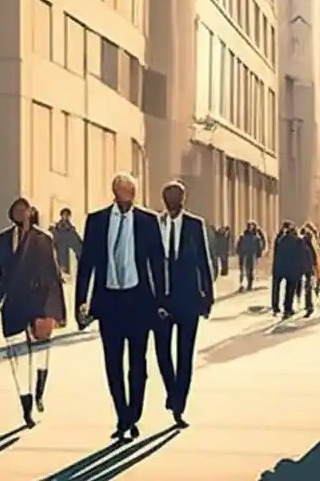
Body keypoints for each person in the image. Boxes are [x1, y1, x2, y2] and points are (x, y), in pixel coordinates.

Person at [75, 172, 167, 442]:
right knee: (112, 363)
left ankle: (134, 413)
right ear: (115, 193)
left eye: (131, 193)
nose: (128, 198)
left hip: (139, 302)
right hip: (109, 302)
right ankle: (122, 415)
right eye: (124, 193)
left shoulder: (148, 221)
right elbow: (86, 265)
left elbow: (158, 264)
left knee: (138, 363)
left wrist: (161, 301)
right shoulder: (97, 221)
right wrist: (82, 301)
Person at [0, 198, 67, 428]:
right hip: (12, 303)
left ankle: (40, 390)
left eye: (25, 210)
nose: (21, 213)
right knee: (18, 357)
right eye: (16, 210)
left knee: (41, 352)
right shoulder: (1, 241)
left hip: (38, 303)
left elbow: (53, 276)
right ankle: (27, 406)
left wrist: (58, 312)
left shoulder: (43, 239)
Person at [153, 180, 214, 429]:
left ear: (183, 200)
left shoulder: (194, 225)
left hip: (188, 300)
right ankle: (172, 390)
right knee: (162, 352)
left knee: (185, 354)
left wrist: (207, 297)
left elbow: (204, 261)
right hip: (162, 300)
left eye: (176, 198)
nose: (172, 202)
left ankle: (180, 405)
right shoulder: (156, 224)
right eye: (168, 198)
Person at [271, 221, 302, 317]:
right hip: (292, 268)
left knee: (276, 288)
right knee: (290, 289)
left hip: (279, 267)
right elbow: (300, 255)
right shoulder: (297, 240)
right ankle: (288, 308)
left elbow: (275, 251)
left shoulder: (279, 239)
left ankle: (275, 306)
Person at [297, 224, 320, 317]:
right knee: (308, 287)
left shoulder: (302, 242)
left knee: (306, 286)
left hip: (304, 266)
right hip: (308, 267)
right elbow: (314, 255)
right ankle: (308, 305)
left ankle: (308, 305)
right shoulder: (310, 242)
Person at [50, 209, 82, 277]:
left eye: (67, 215)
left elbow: (78, 246)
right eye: (64, 215)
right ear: (61, 216)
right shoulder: (56, 229)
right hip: (57, 259)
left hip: (65, 262)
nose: (66, 217)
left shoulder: (70, 231)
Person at [237, 221, 266, 291]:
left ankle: (247, 285)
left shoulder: (253, 237)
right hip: (248, 255)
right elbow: (260, 246)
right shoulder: (253, 237)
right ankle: (246, 285)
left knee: (247, 271)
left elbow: (260, 246)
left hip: (247, 255)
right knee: (247, 271)